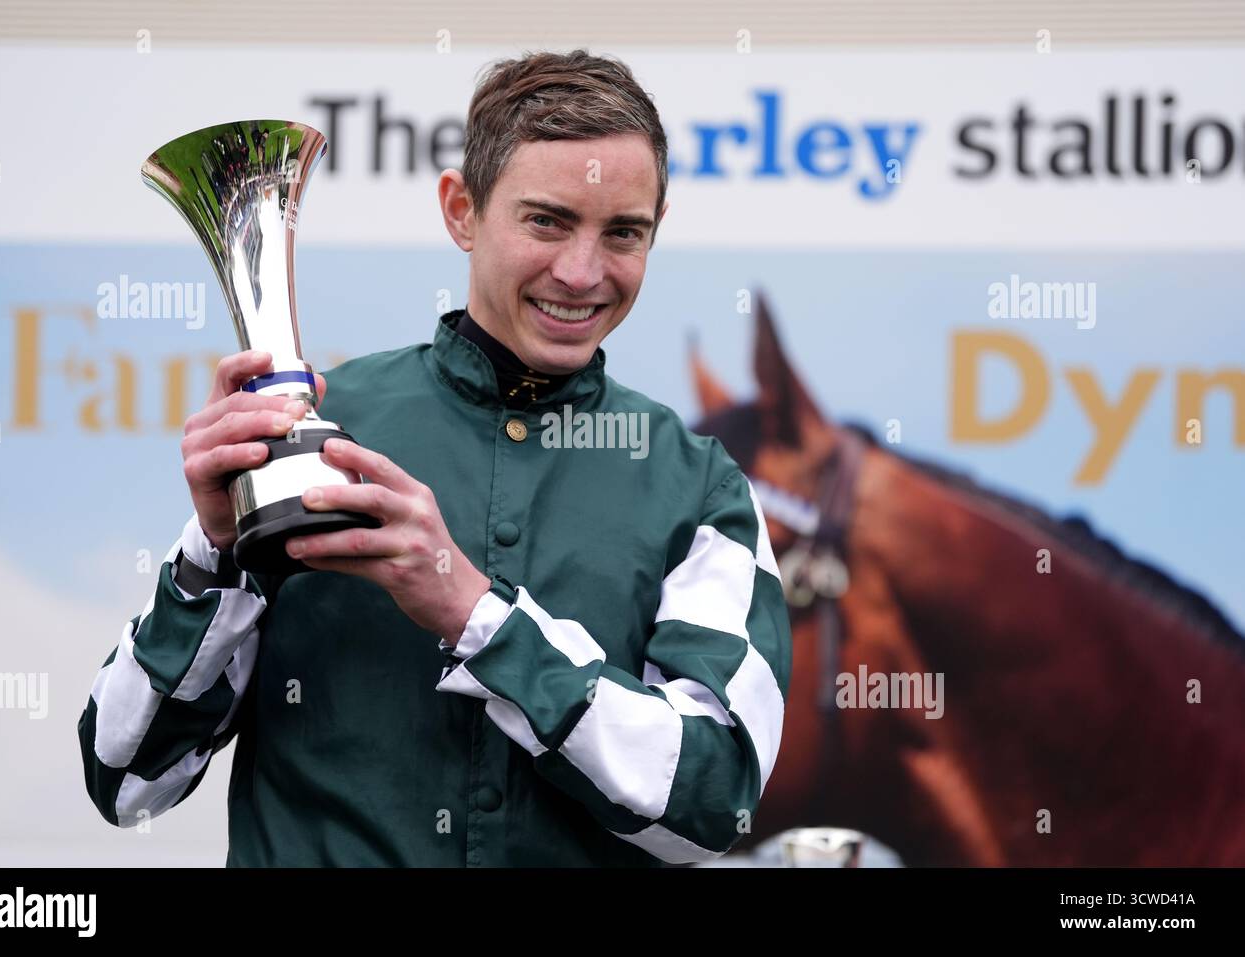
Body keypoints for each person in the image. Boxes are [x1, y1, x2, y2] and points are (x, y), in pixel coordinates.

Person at [77, 49, 792, 867]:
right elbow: (125, 779)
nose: (582, 272)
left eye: (622, 232)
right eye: (547, 220)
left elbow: (711, 803)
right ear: (462, 210)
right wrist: (214, 554)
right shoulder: (313, 434)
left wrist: (475, 615)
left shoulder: (700, 487)